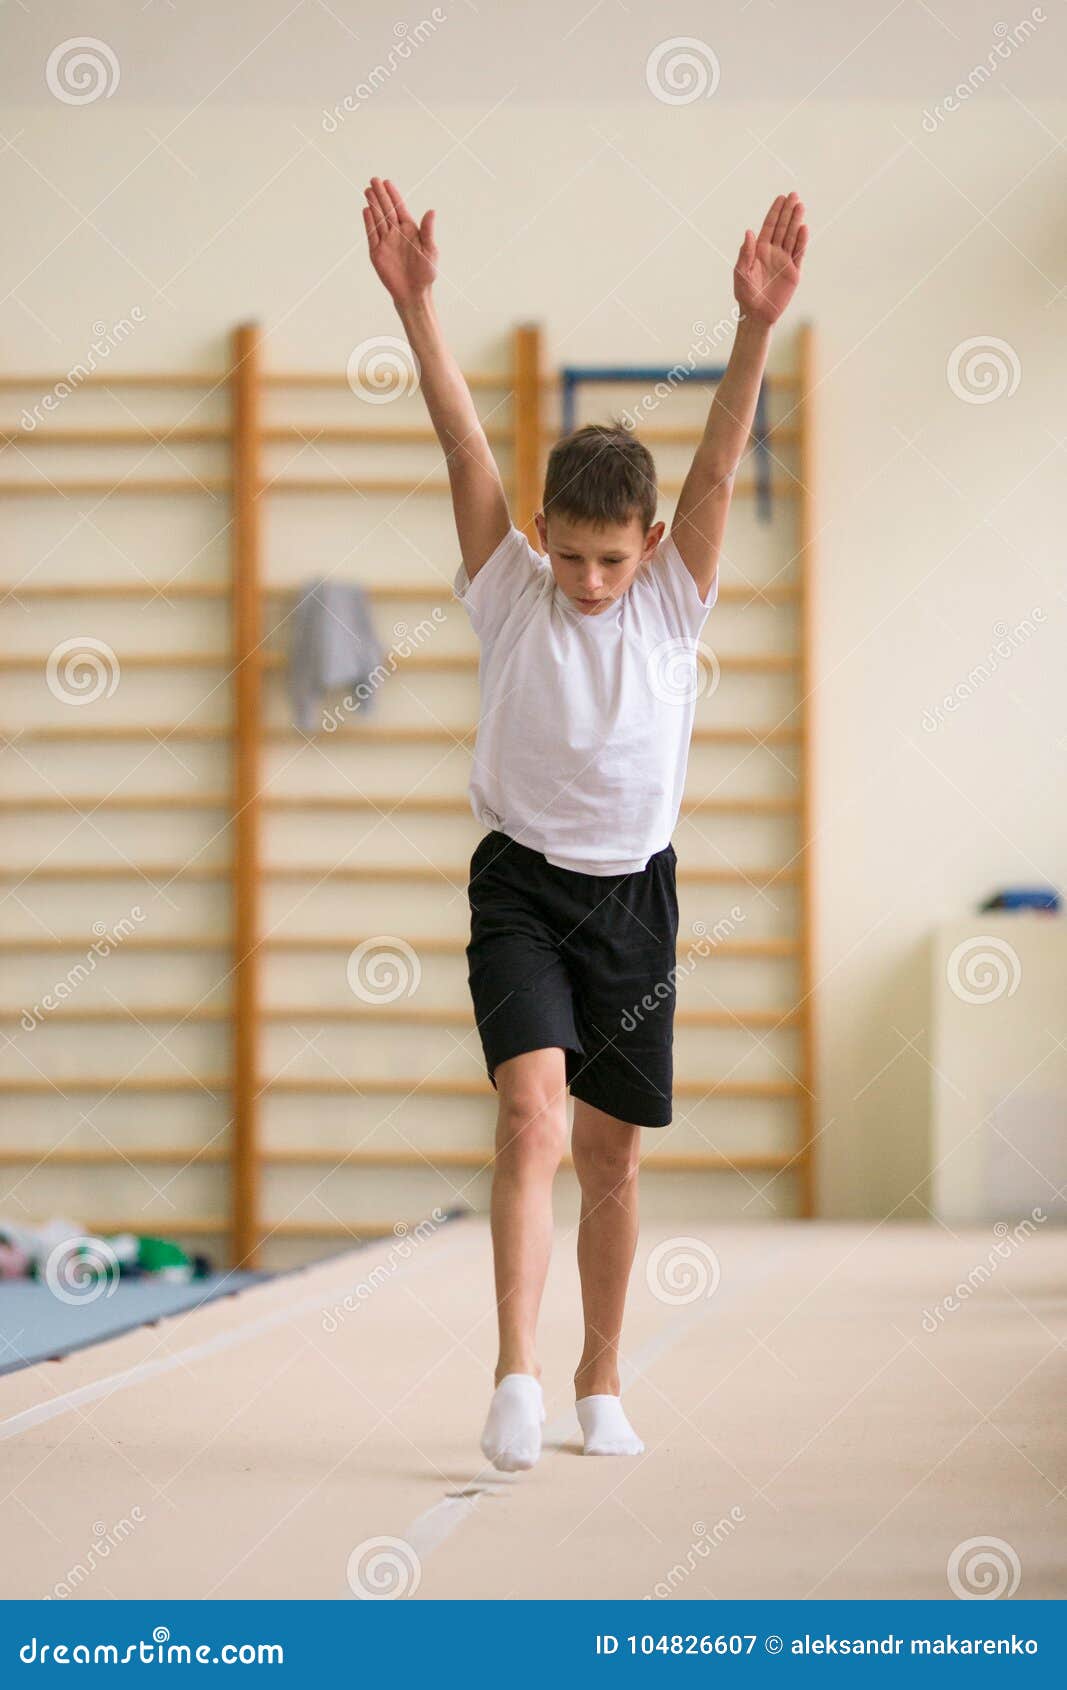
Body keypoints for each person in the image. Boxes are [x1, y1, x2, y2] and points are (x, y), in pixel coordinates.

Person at [362, 176, 808, 1471]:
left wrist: (755, 326)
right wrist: (416, 306)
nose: (595, 584)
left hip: (633, 897)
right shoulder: (511, 591)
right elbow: (462, 447)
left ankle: (599, 1379)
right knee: (533, 1120)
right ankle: (512, 1370)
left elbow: (722, 455)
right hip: (518, 887)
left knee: (611, 1159)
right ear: (545, 533)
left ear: (653, 543)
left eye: (616, 560)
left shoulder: (674, 602)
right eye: (575, 557)